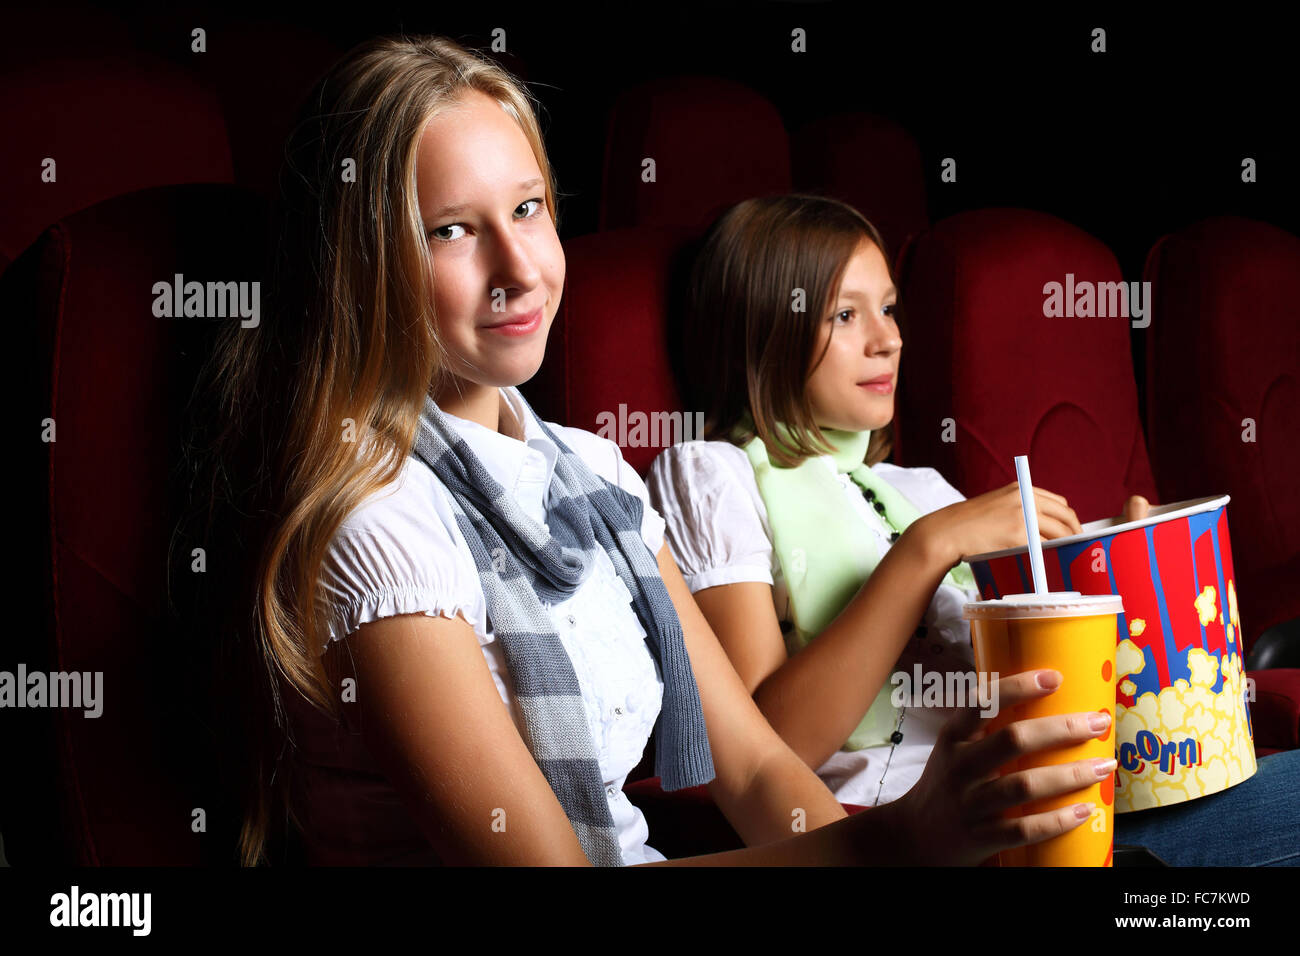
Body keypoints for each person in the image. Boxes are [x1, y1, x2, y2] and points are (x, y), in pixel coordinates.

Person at [184, 34, 1147, 867]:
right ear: (361, 266)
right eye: (452, 232)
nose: (520, 269)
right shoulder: (377, 521)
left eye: (528, 210)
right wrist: (900, 845)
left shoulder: (593, 473)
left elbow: (763, 771)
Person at [644, 194, 1299, 865]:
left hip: (1081, 789)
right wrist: (927, 550)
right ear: (764, 329)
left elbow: (1061, 673)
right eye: (845, 314)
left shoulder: (921, 489)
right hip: (907, 827)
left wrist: (1133, 571)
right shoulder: (711, 473)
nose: (888, 338)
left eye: (890, 308)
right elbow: (765, 744)